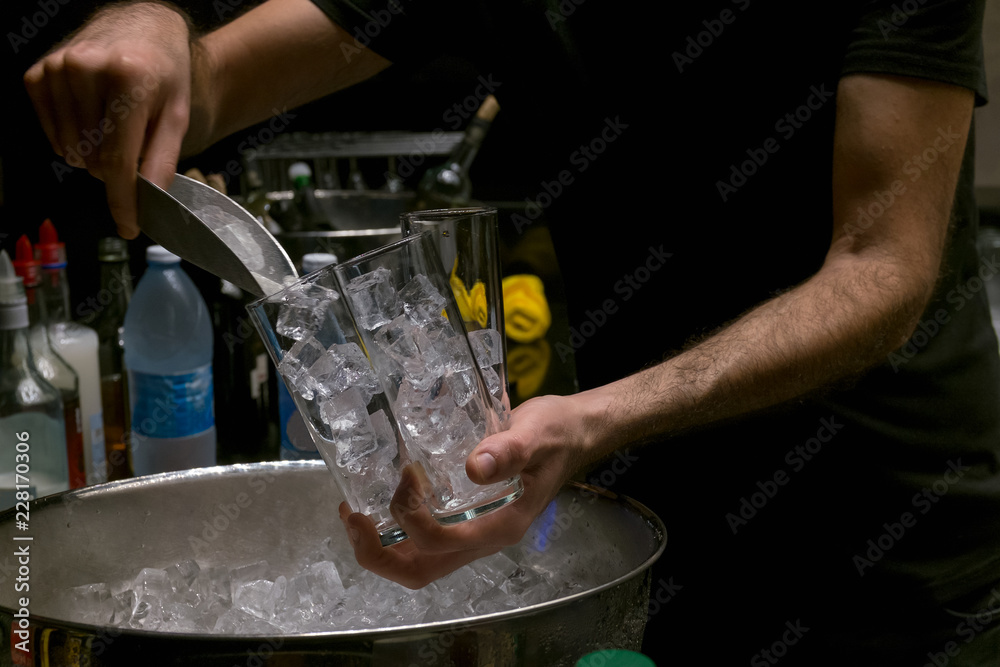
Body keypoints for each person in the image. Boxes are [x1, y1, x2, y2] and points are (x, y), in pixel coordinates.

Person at [24, 0, 1000, 663]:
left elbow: (883, 266)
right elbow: (209, 81)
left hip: (893, 547)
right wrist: (148, 24)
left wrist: (594, 417)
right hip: (647, 538)